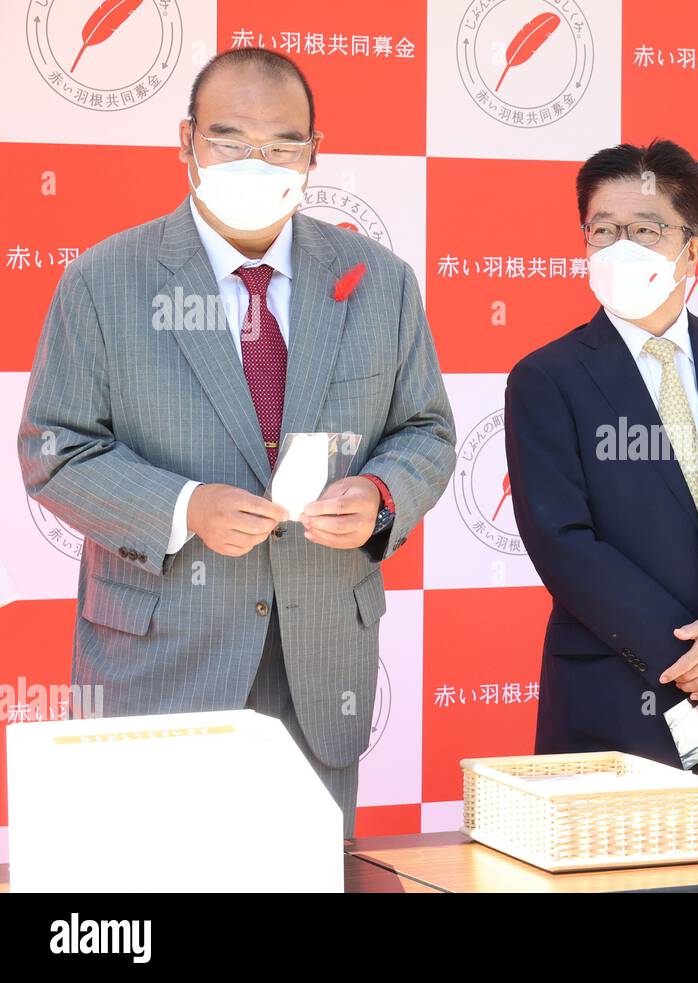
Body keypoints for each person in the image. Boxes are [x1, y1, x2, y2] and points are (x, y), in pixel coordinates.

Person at [17, 48, 456, 838]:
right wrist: (186, 506)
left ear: (314, 152)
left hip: (319, 663)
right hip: (161, 664)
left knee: (313, 878)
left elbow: (424, 428)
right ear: (186, 142)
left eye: (282, 145)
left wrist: (382, 495)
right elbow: (55, 450)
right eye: (228, 140)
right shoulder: (104, 281)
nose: (257, 163)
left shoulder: (378, 280)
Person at [503, 139, 698, 811]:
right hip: (610, 704)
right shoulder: (547, 378)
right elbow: (564, 543)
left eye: (644, 230)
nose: (620, 247)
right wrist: (696, 661)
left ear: (693, 249)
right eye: (603, 230)